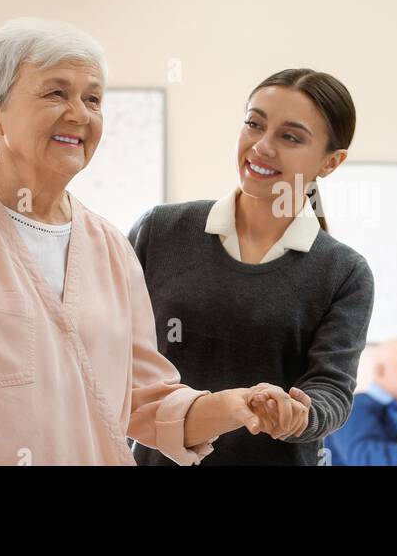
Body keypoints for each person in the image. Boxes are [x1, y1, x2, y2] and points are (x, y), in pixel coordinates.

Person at [0, 18, 283, 466]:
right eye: (55, 93)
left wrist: (233, 406)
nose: (80, 114)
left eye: (93, 99)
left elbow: (143, 401)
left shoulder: (110, 246)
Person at [129, 69, 376, 465]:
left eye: (290, 137)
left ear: (331, 162)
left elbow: (332, 387)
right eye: (254, 124)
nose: (262, 147)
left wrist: (299, 413)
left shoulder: (344, 272)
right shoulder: (161, 231)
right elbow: (113, 352)